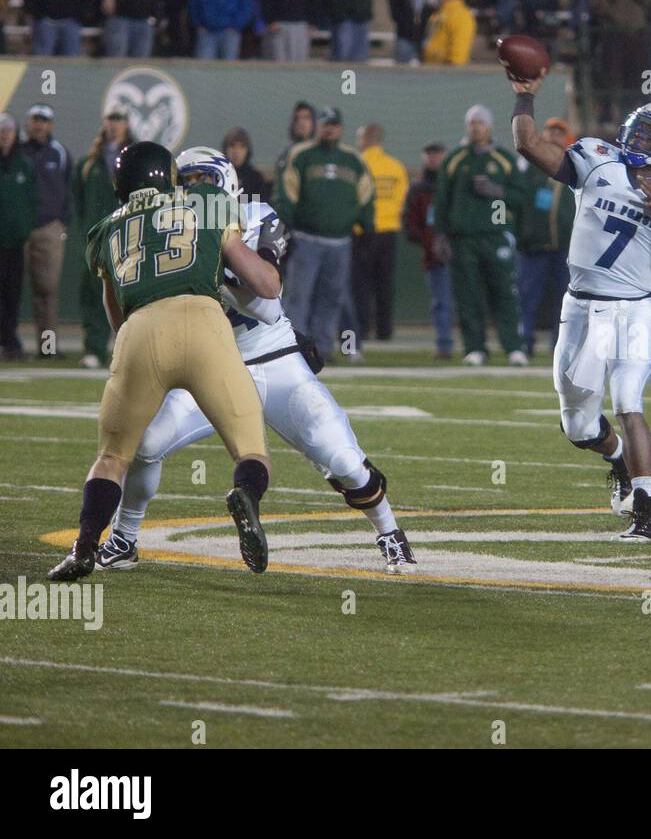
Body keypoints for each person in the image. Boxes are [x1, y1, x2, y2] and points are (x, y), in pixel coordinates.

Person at [100, 147, 414, 575]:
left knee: (343, 460)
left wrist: (212, 274)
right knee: (147, 444)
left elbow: (267, 299)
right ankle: (124, 538)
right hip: (209, 364)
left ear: (226, 183)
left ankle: (390, 532)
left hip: (273, 358)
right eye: (186, 183)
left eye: (202, 182)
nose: (195, 191)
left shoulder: (256, 216)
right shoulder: (165, 228)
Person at [47, 141, 281, 582]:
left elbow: (115, 312)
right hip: (205, 322)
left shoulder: (104, 229)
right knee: (251, 449)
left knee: (113, 457)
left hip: (141, 330)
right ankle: (246, 493)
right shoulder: (209, 200)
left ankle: (83, 547)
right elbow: (260, 281)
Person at [510, 73, 651, 540]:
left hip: (635, 310)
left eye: (650, 134)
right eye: (637, 128)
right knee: (578, 426)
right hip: (581, 308)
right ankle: (618, 459)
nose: (638, 138)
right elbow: (529, 145)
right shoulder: (597, 161)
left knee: (628, 399)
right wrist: (525, 95)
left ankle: (648, 510)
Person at [274, 106, 376, 359]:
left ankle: (321, 349)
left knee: (332, 299)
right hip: (306, 239)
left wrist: (368, 227)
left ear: (340, 128)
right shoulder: (301, 155)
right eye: (325, 123)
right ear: (318, 126)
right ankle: (293, 349)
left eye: (334, 124)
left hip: (340, 242)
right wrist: (286, 229)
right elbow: (286, 193)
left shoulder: (353, 159)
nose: (329, 128)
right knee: (299, 297)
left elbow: (366, 194)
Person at [436, 104, 528, 367]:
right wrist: (440, 235)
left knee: (504, 294)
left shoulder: (505, 159)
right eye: (472, 123)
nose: (476, 128)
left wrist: (497, 190)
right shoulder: (454, 160)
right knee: (468, 296)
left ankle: (514, 346)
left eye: (480, 123)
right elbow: (441, 200)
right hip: (463, 238)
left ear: (489, 127)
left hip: (496, 235)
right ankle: (475, 347)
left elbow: (522, 197)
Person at [70, 107, 133, 369]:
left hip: (130, 236)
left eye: (119, 119)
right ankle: (94, 348)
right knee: (95, 293)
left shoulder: (135, 159)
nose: (115, 124)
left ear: (127, 124)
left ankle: (130, 350)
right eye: (111, 119)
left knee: (130, 294)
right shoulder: (88, 163)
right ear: (104, 123)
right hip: (98, 239)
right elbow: (78, 202)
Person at [514, 118, 577, 358]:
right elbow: (517, 200)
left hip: (567, 247)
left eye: (560, 132)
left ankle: (560, 345)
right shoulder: (529, 165)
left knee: (566, 300)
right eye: (550, 130)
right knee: (527, 295)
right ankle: (523, 342)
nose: (554, 136)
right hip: (533, 244)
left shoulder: (575, 165)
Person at [20, 104, 72, 360]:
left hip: (48, 227)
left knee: (47, 290)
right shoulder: (15, 151)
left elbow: (68, 189)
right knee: (8, 288)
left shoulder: (59, 153)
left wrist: (61, 221)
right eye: (34, 119)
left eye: (43, 120)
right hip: (17, 228)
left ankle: (47, 347)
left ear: (50, 124)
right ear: (27, 123)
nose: (38, 124)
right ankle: (9, 344)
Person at [352, 123, 408, 346]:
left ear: (365, 139)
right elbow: (402, 199)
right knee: (384, 284)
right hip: (389, 232)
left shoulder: (357, 164)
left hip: (362, 232)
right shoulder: (396, 167)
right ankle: (385, 330)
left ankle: (362, 328)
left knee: (360, 284)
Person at [589, 0, 651, 122]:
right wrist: (611, 15)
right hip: (612, 29)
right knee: (610, 75)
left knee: (637, 77)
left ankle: (634, 115)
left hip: (637, 29)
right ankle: (607, 114)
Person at [403, 142, 455, 360]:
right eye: (429, 155)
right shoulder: (417, 189)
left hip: (461, 254)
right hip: (434, 257)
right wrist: (428, 242)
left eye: (437, 155)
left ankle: (476, 347)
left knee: (471, 301)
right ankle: (445, 346)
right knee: (441, 302)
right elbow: (409, 224)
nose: (433, 159)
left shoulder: (454, 184)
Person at [0, 113, 36, 361]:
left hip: (15, 243)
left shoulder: (25, 165)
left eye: (8, 131)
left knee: (12, 293)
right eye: (1, 131)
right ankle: (9, 341)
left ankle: (9, 341)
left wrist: (24, 230)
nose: (4, 136)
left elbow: (32, 202)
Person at [420, 0, 476, 66]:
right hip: (431, 67)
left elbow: (460, 47)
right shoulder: (437, 13)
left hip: (446, 71)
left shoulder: (462, 15)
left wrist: (455, 65)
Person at [222, 127, 270, 203]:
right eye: (232, 146)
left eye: (242, 146)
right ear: (225, 149)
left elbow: (258, 209)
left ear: (248, 151)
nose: (236, 151)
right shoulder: (218, 177)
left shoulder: (255, 180)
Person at [275, 101, 316, 181]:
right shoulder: (286, 155)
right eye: (297, 119)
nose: (301, 122)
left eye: (306, 118)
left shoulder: (321, 153)